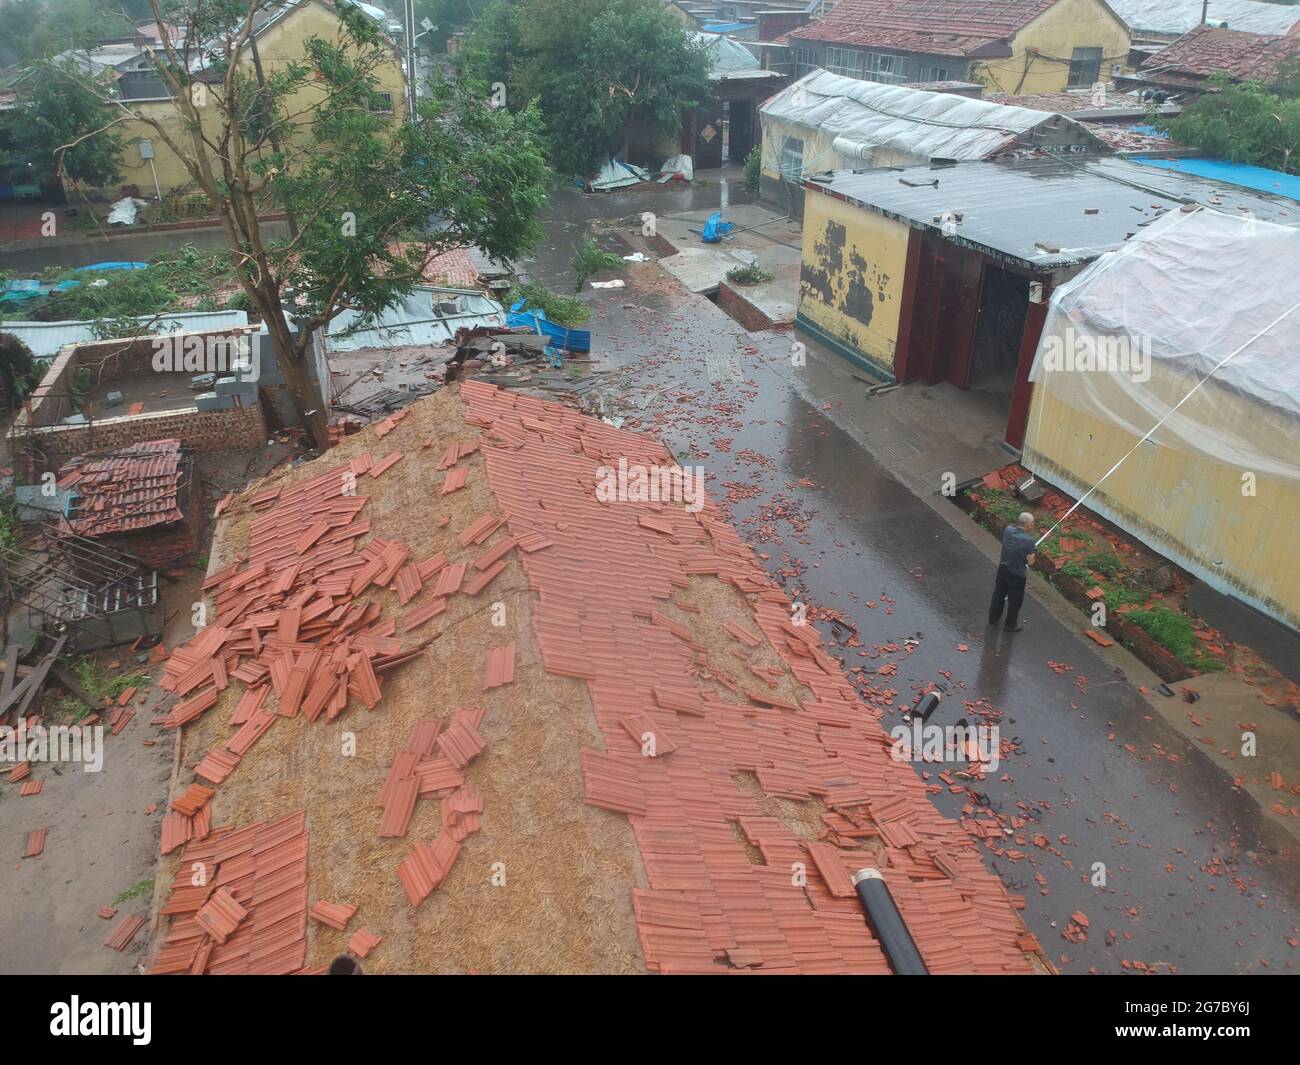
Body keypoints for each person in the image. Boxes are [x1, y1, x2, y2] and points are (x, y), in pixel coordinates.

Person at [988, 512, 1036, 632]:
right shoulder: (1029, 540)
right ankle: (1010, 625)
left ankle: (993, 618)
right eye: (1033, 523)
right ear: (1028, 525)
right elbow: (1031, 562)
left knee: (998, 594)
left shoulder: (1008, 530)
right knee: (1015, 600)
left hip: (1003, 568)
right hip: (1017, 574)